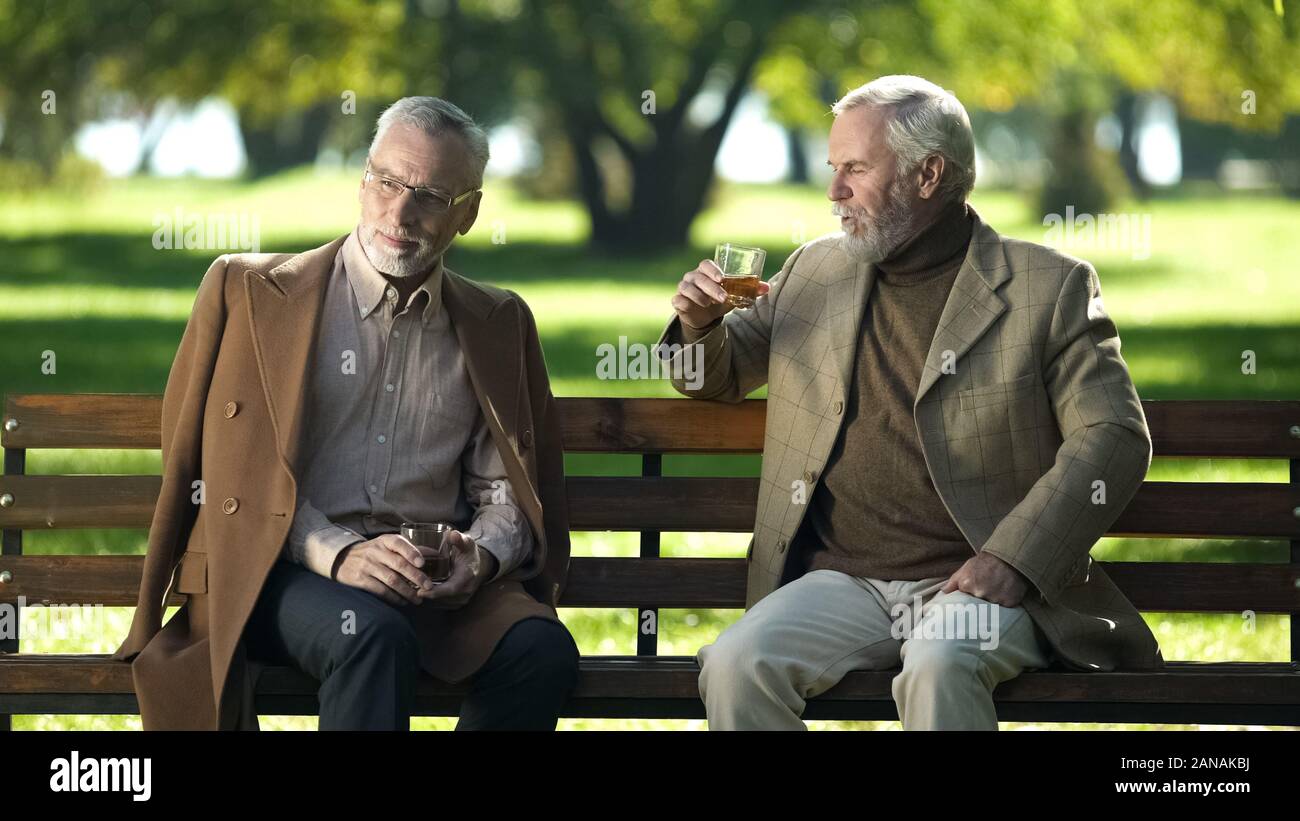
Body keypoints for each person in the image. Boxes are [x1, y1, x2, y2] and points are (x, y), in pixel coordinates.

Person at [657, 75, 1162, 731]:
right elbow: (713, 378)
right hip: (846, 583)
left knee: (937, 662)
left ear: (929, 174)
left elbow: (1114, 435)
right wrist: (699, 325)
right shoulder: (815, 271)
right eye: (833, 169)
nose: (834, 192)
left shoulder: (1048, 286)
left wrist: (1013, 559)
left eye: (855, 170)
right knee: (735, 663)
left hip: (980, 583)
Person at [113, 97, 578, 730]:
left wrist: (481, 556)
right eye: (388, 182)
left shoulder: (497, 322)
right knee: (372, 636)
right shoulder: (251, 293)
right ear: (364, 180)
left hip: (430, 586)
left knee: (541, 650)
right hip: (277, 570)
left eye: (432, 197)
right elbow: (226, 477)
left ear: (467, 214)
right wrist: (338, 555)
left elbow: (507, 491)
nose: (400, 211)